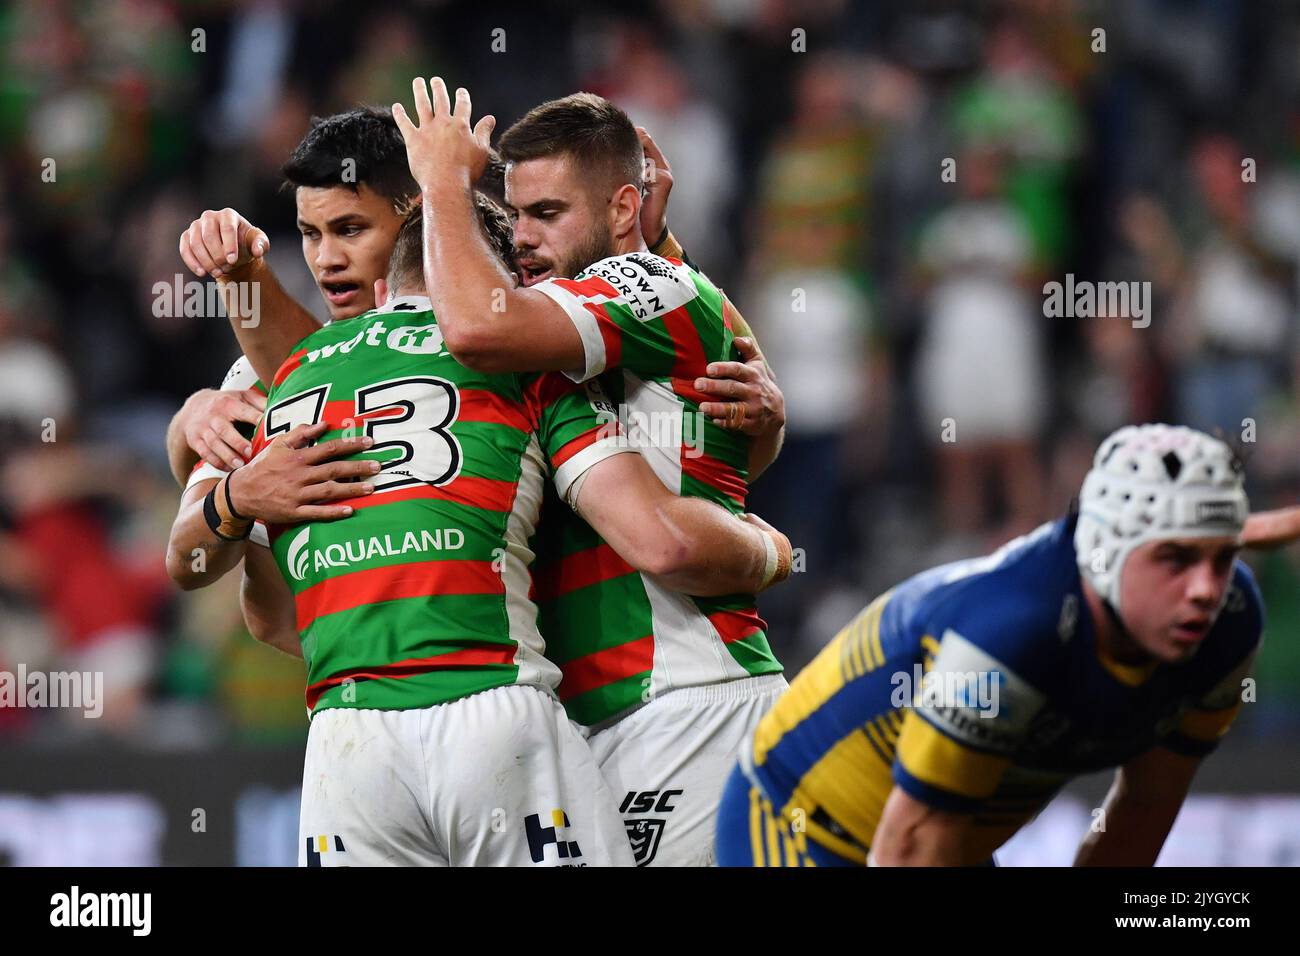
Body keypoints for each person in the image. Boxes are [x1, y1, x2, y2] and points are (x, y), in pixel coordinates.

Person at [167, 198, 792, 866]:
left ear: (383, 287)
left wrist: (217, 471)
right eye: (315, 236)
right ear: (507, 291)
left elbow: (216, 579)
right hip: (490, 706)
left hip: (344, 744)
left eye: (348, 231)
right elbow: (661, 535)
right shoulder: (527, 366)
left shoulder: (285, 376)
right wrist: (773, 545)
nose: (327, 258)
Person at [394, 79, 789, 864]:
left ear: (617, 211)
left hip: (686, 700)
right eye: (516, 216)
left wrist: (441, 180)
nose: (525, 240)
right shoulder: (597, 317)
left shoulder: (644, 284)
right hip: (592, 719)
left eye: (548, 214)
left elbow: (476, 326)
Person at [716, 424, 1263, 866]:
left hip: (944, 829)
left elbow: (1148, 806)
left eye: (1222, 558)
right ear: (1105, 552)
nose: (1205, 590)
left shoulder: (1230, 621)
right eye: (1175, 559)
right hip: (798, 826)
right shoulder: (1010, 635)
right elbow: (912, 845)